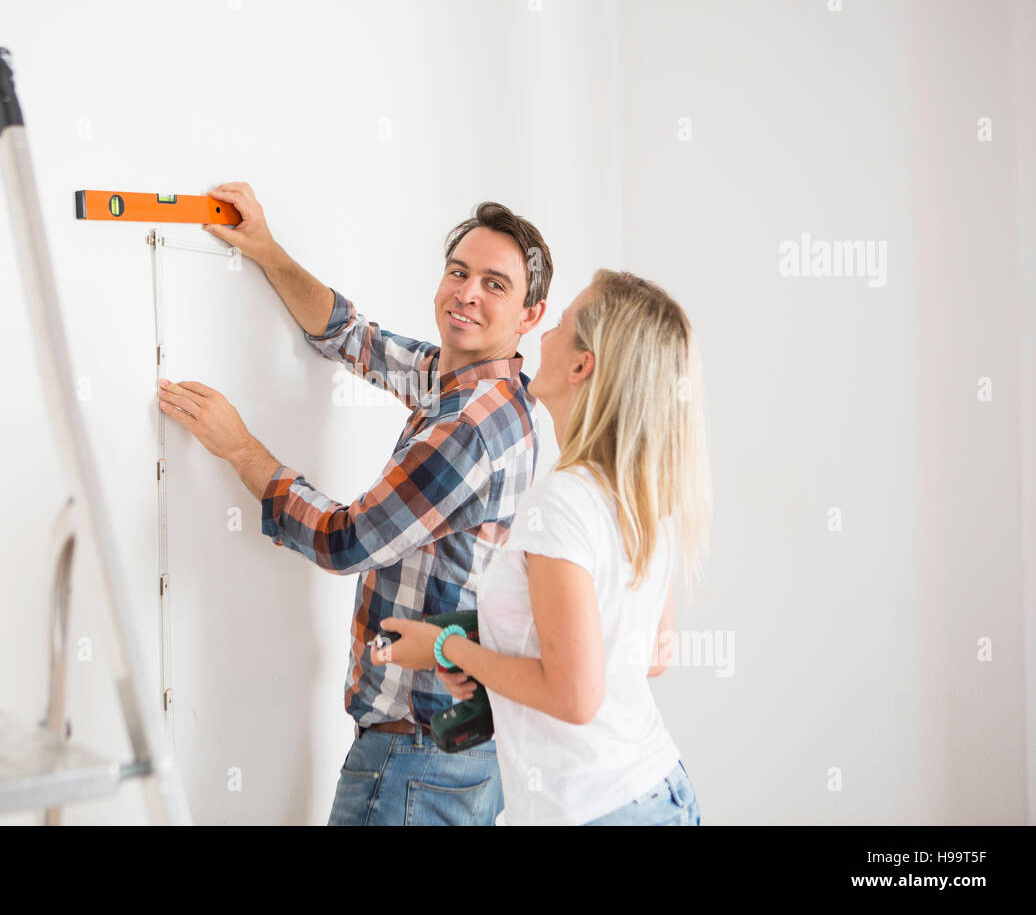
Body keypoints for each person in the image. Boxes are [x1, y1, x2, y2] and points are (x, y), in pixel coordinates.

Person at [157, 183, 553, 824]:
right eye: (459, 272)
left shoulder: (468, 428)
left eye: (494, 284)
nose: (467, 293)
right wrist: (268, 250)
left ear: (530, 316)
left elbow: (347, 541)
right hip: (452, 751)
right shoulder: (474, 388)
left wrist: (239, 447)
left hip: (415, 762)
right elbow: (352, 337)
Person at [372, 269, 711, 825]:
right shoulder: (641, 488)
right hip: (656, 788)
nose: (543, 337)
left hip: (596, 810)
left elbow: (576, 697)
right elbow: (650, 653)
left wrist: (446, 648)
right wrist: (498, 650)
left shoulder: (560, 503)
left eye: (558, 325)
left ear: (582, 366)